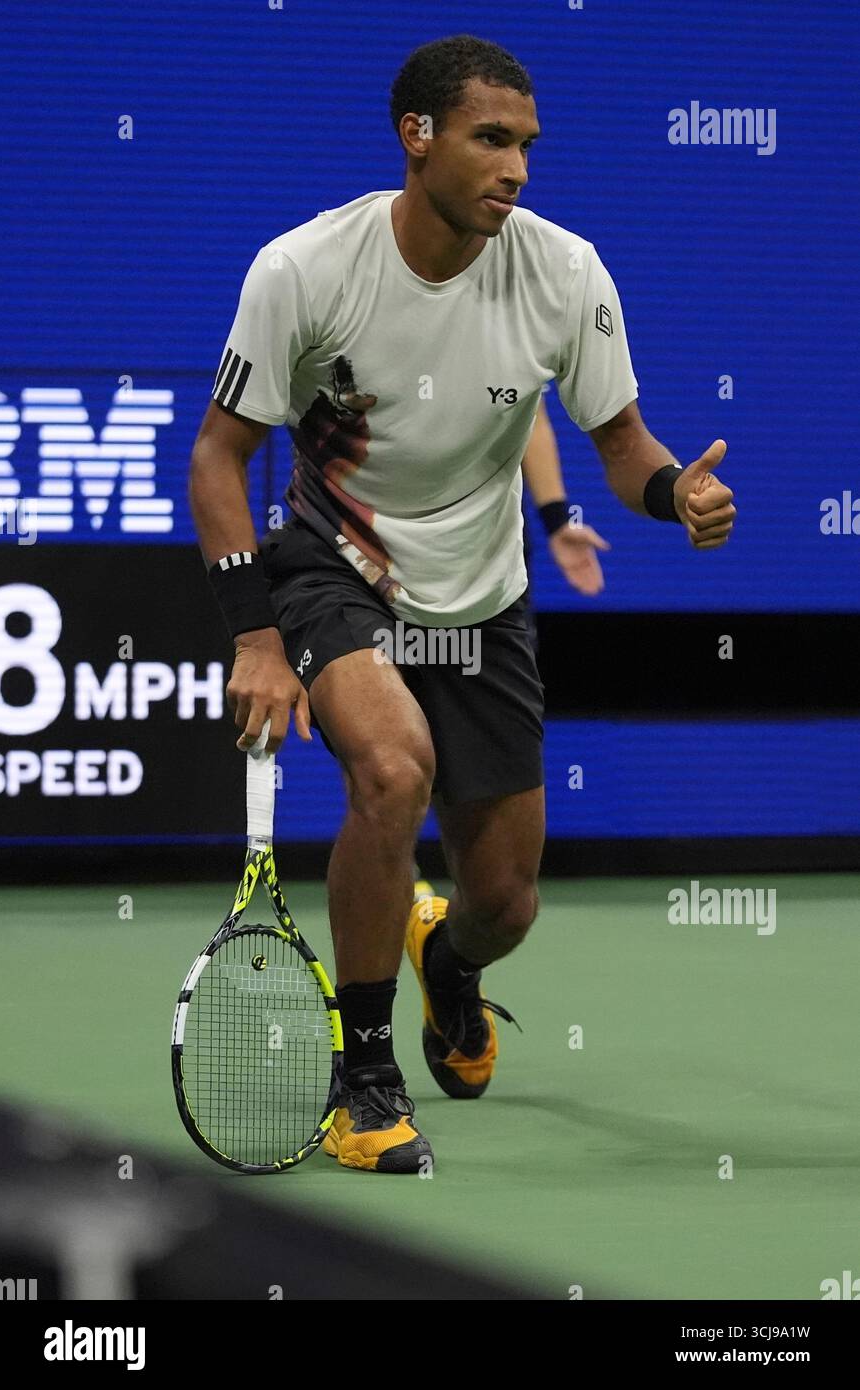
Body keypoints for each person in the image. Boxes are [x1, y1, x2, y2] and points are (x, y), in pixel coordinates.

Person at [189, 34, 736, 1175]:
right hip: (336, 563)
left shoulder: (563, 271)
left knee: (504, 900)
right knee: (391, 771)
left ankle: (448, 961)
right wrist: (252, 635)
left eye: (527, 145)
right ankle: (363, 1080)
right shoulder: (303, 269)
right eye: (492, 139)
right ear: (417, 138)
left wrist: (670, 491)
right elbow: (217, 455)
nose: (517, 168)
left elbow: (622, 443)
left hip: (483, 595)